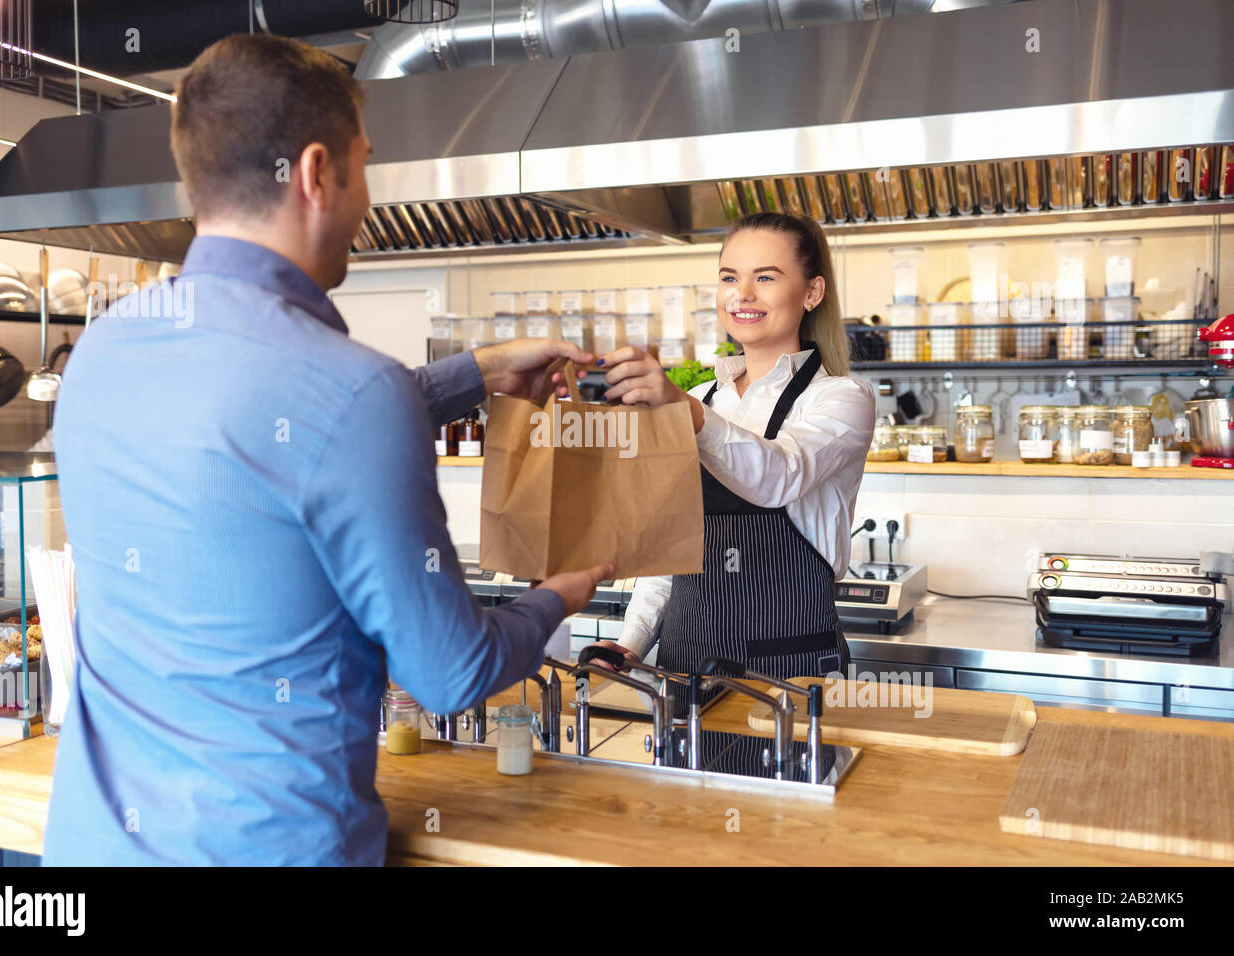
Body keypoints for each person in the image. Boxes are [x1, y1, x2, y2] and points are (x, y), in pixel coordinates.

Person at [44, 33, 610, 866]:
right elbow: (451, 672)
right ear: (315, 174)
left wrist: (477, 373)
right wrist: (561, 593)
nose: (369, 198)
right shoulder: (352, 394)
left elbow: (264, 445)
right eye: (365, 165)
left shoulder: (101, 351)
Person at [585, 211, 875, 687]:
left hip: (789, 674)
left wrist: (683, 412)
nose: (742, 294)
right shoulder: (700, 400)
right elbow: (668, 553)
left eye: (765, 277)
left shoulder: (842, 398)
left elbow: (778, 476)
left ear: (812, 293)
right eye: (729, 277)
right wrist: (630, 642)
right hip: (682, 669)